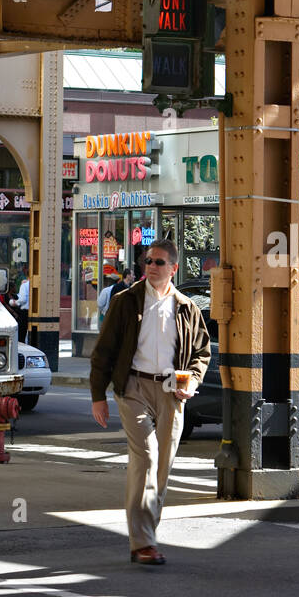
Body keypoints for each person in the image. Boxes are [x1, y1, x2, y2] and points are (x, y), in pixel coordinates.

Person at [90, 240, 210, 565]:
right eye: (148, 261)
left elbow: (202, 352)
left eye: (159, 262)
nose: (151, 267)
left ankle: (147, 534)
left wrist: (193, 381)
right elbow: (103, 352)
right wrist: (98, 396)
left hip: (172, 391)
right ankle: (143, 542)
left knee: (163, 465)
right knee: (145, 457)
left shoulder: (187, 307)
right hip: (134, 387)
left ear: (173, 269)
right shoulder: (125, 302)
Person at [11, 266, 30, 342]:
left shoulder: (24, 285)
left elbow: (22, 299)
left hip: (24, 312)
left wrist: (15, 302)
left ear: (26, 274)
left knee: (21, 335)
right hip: (33, 313)